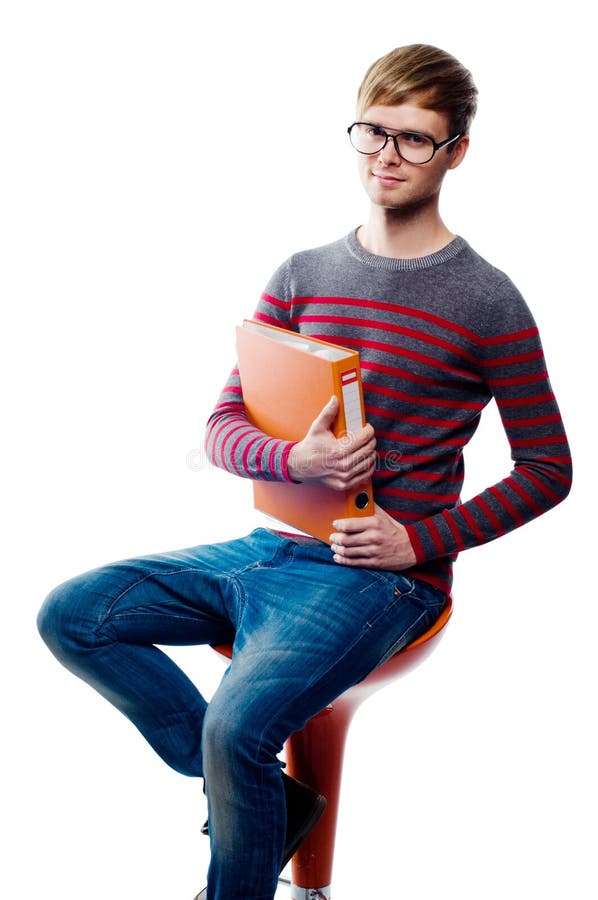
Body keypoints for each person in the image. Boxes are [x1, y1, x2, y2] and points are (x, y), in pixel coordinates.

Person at [38, 43, 572, 900]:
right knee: (74, 613)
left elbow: (549, 467)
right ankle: (269, 806)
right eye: (371, 132)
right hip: (270, 548)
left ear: (456, 152)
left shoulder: (487, 300)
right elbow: (221, 427)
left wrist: (420, 542)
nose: (385, 157)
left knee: (238, 728)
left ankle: (244, 829)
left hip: (379, 581)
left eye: (413, 140)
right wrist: (297, 458)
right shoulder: (303, 272)